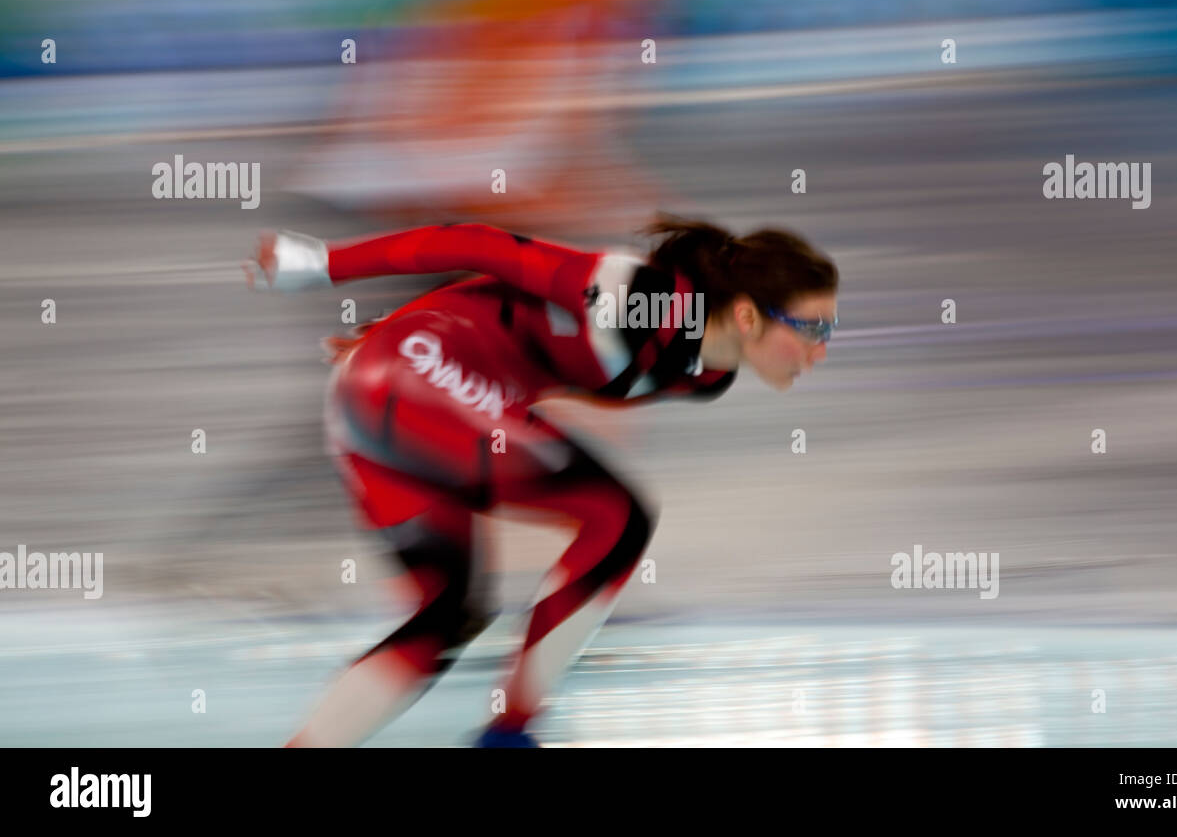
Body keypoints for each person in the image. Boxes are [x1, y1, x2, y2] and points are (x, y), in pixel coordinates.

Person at [243, 214, 838, 746]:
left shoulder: (704, 376)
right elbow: (475, 244)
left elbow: (515, 326)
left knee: (449, 616)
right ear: (745, 314)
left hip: (388, 399)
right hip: (408, 381)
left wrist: (399, 329)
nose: (821, 351)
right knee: (616, 517)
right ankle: (511, 733)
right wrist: (321, 264)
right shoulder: (643, 300)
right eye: (812, 330)